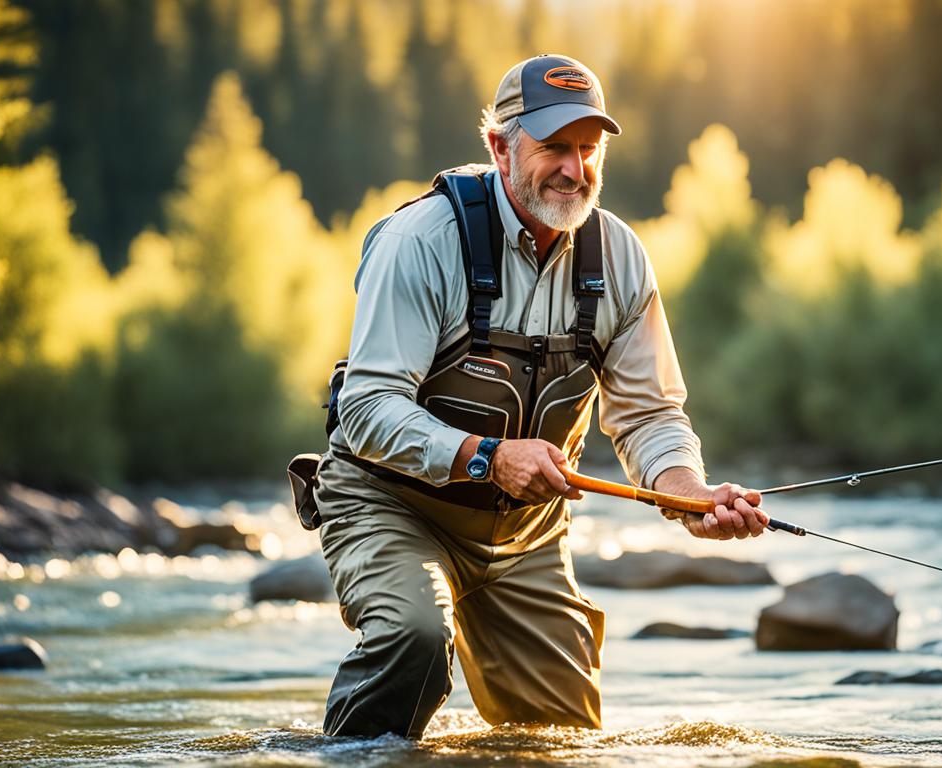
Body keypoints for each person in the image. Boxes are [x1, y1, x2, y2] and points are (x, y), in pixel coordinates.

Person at [312, 53, 769, 740]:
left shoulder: (619, 258)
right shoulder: (423, 241)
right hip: (391, 506)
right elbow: (368, 409)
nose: (575, 169)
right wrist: (490, 457)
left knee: (561, 739)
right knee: (415, 639)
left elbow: (649, 414)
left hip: (526, 534)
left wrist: (689, 495)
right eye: (555, 146)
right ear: (500, 147)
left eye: (588, 149)